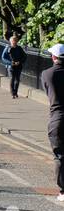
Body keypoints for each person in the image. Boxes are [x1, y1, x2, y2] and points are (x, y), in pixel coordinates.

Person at [44, 44, 64, 202]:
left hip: (58, 118)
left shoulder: (47, 74)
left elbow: (48, 93)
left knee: (59, 156)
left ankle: (63, 190)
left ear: (53, 57)